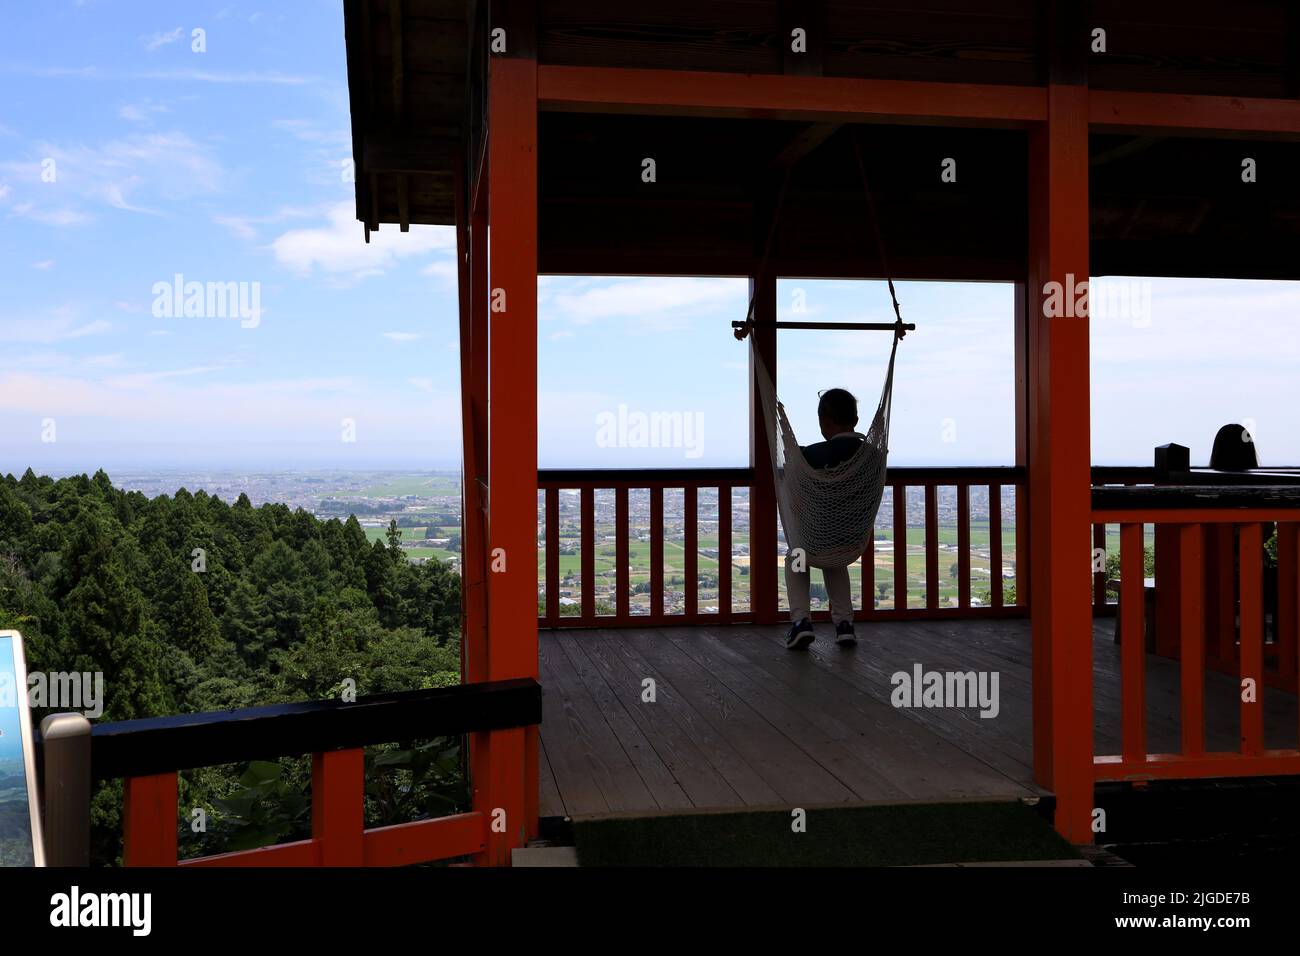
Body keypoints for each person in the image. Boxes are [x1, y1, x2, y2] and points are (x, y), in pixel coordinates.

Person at [784, 387, 864, 650]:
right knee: (834, 559)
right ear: (855, 419)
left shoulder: (813, 455)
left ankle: (801, 621)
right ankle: (844, 624)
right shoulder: (872, 454)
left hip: (815, 543)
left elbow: (795, 490)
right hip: (852, 540)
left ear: (824, 421)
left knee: (796, 556)